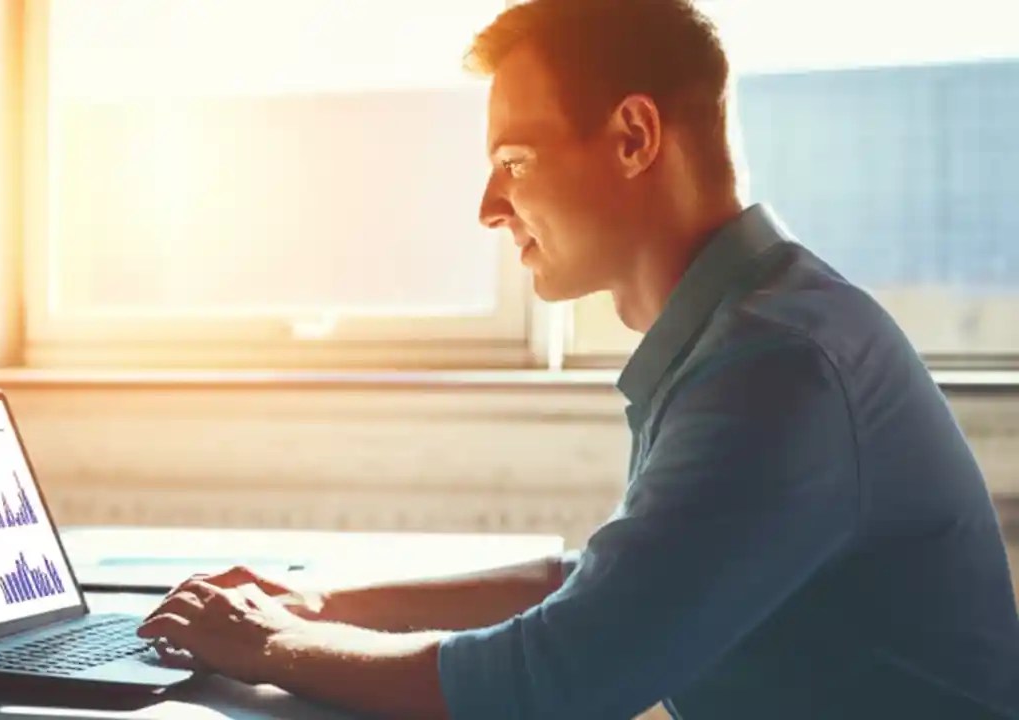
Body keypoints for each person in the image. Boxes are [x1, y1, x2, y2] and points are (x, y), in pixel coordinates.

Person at [136, 0, 1019, 717]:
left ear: (635, 137)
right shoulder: (747, 333)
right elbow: (599, 584)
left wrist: (265, 645)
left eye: (513, 161)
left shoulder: (780, 368)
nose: (488, 206)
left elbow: (560, 676)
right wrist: (325, 608)